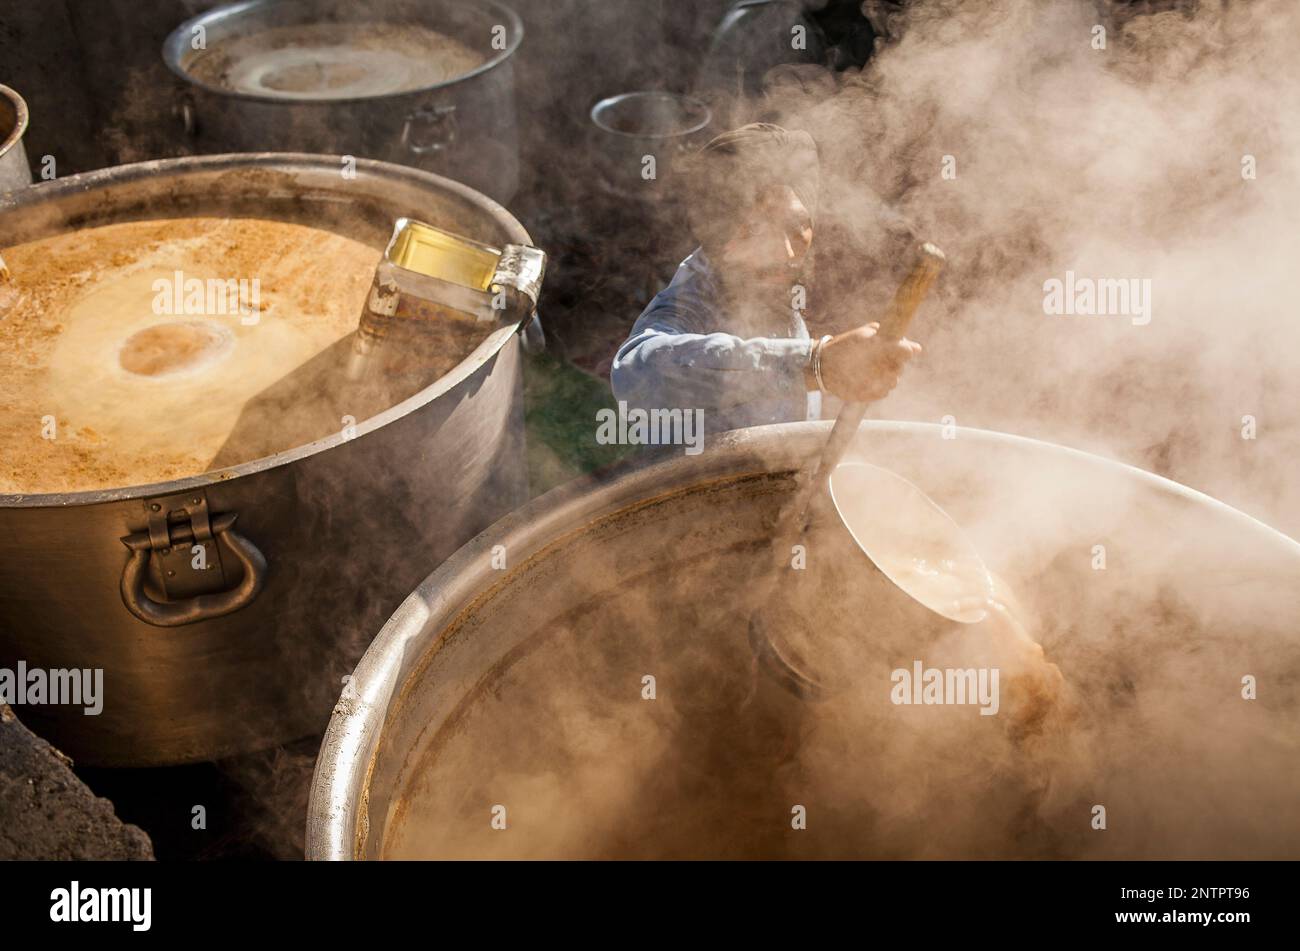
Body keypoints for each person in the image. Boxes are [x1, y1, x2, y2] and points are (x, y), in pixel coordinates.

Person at [610, 122, 921, 435]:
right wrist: (813, 364)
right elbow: (633, 374)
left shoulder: (782, 283)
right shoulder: (693, 298)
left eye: (798, 225)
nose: (785, 251)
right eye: (755, 229)